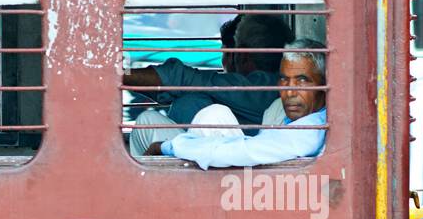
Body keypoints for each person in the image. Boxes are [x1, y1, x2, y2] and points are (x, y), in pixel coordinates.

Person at [125, 13, 293, 156]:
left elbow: (180, 78)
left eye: (225, 54)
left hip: (233, 175)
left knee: (211, 115)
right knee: (148, 119)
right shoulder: (268, 92)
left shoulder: (260, 88)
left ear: (242, 56)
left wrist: (120, 75)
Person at [146, 39, 327, 169]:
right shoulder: (277, 108)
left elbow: (246, 151)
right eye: (284, 80)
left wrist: (166, 147)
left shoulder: (313, 128)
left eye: (302, 81)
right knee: (148, 120)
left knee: (213, 116)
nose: (290, 92)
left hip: (256, 196)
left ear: (324, 84)